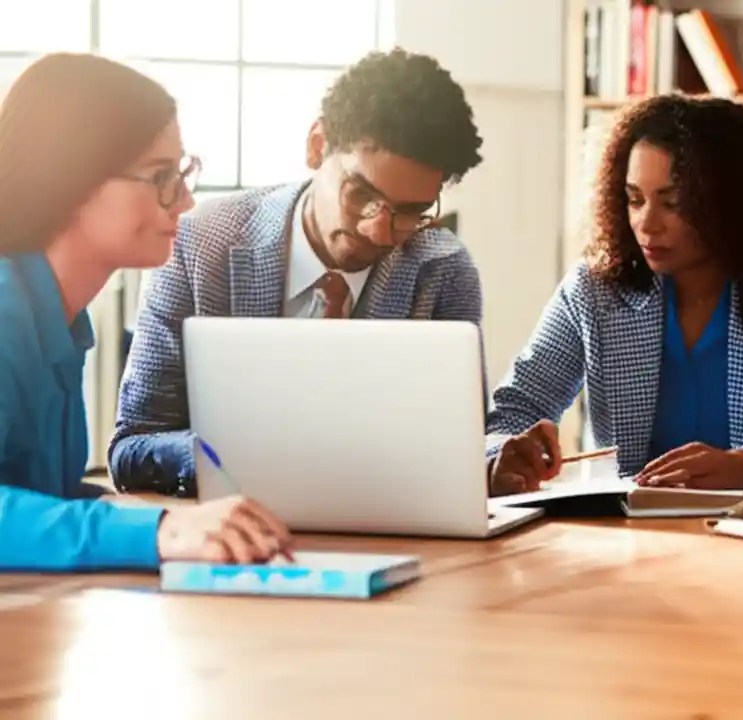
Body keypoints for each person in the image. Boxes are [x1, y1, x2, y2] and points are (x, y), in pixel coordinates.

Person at [110, 48, 486, 498]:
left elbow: (460, 453)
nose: (380, 231)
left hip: (389, 528)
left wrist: (495, 458)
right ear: (316, 146)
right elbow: (130, 449)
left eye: (412, 212)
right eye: (361, 193)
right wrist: (222, 459)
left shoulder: (443, 270)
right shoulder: (197, 246)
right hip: (228, 535)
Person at [0, 54, 292, 570]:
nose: (184, 204)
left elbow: (39, 498)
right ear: (73, 177)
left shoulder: (62, 321)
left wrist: (192, 524)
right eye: (161, 177)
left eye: (182, 175)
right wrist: (162, 529)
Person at [485, 96, 743, 495]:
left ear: (734, 204)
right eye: (634, 199)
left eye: (673, 203)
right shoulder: (593, 292)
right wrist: (502, 455)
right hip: (630, 534)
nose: (646, 223)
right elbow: (512, 413)